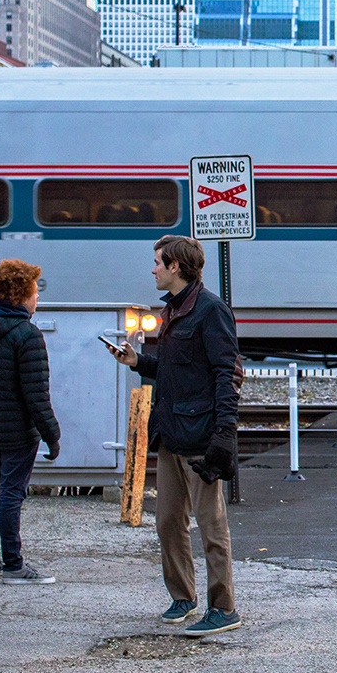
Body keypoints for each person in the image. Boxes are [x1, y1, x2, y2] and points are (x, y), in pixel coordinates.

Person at [111, 235, 241, 636]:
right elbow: (176, 371)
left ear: (176, 267)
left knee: (210, 523)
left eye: (157, 263)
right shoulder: (172, 312)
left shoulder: (210, 310)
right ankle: (183, 596)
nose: (152, 269)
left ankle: (224, 608)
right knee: (168, 520)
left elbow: (227, 373)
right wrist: (138, 363)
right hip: (169, 433)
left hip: (200, 435)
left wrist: (224, 433)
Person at [0, 259, 60, 585]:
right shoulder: (26, 334)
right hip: (18, 432)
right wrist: (52, 435)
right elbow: (36, 395)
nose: (37, 299)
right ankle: (14, 566)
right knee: (11, 495)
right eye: (35, 293)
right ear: (22, 294)